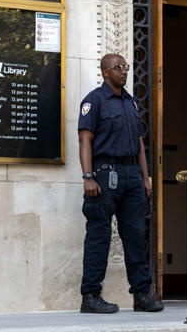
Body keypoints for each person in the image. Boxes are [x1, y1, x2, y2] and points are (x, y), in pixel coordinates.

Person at [77, 53, 164, 313]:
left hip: (131, 176)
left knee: (135, 236)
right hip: (104, 174)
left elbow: (139, 144)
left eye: (126, 67)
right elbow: (85, 141)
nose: (124, 71)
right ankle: (91, 297)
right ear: (105, 72)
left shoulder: (131, 102)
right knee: (99, 236)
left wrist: (145, 177)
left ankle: (141, 295)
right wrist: (88, 176)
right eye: (118, 67)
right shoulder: (95, 101)